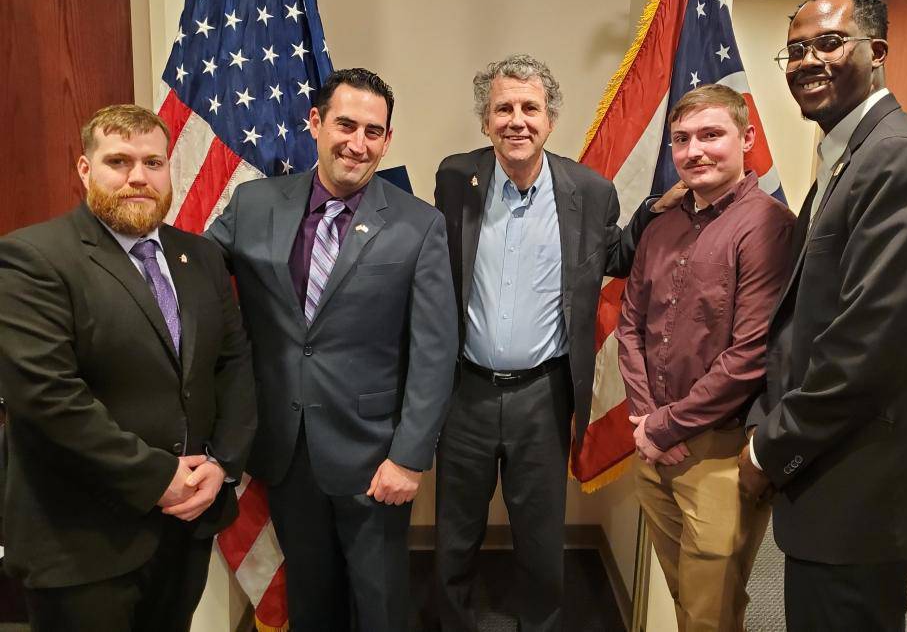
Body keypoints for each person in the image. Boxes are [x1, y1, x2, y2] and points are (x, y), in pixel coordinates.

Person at [738, 0, 907, 630]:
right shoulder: (849, 156)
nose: (807, 62)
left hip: (867, 485)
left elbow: (866, 350)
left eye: (828, 43)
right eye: (795, 50)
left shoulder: (902, 162)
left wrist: (770, 448)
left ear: (875, 51)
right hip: (842, 474)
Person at [205, 67, 457, 632]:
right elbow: (196, 274)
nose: (357, 143)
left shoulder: (419, 225)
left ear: (387, 140)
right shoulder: (254, 203)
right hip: (287, 448)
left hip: (374, 455)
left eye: (373, 131)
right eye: (345, 125)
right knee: (310, 599)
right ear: (316, 123)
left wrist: (409, 457)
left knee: (379, 603)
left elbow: (435, 352)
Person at [433, 54, 677, 631]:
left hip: (543, 396)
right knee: (455, 531)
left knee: (540, 534)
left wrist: (652, 214)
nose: (516, 120)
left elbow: (613, 258)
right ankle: (451, 623)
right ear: (485, 120)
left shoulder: (589, 191)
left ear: (551, 119)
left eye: (530, 108)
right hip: (465, 392)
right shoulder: (455, 179)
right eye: (503, 109)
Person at [0, 105, 256, 632]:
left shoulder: (201, 257)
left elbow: (233, 366)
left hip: (184, 530)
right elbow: (47, 398)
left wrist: (222, 463)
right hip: (81, 541)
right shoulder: (31, 257)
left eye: (153, 162)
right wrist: (158, 477)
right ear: (85, 168)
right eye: (119, 161)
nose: (139, 177)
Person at [617, 84, 794, 631]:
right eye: (682, 139)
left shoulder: (769, 226)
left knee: (711, 610)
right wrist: (648, 420)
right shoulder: (661, 226)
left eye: (711, 135)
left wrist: (665, 427)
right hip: (653, 448)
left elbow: (750, 356)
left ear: (747, 138)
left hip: (720, 453)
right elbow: (630, 326)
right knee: (686, 600)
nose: (694, 151)